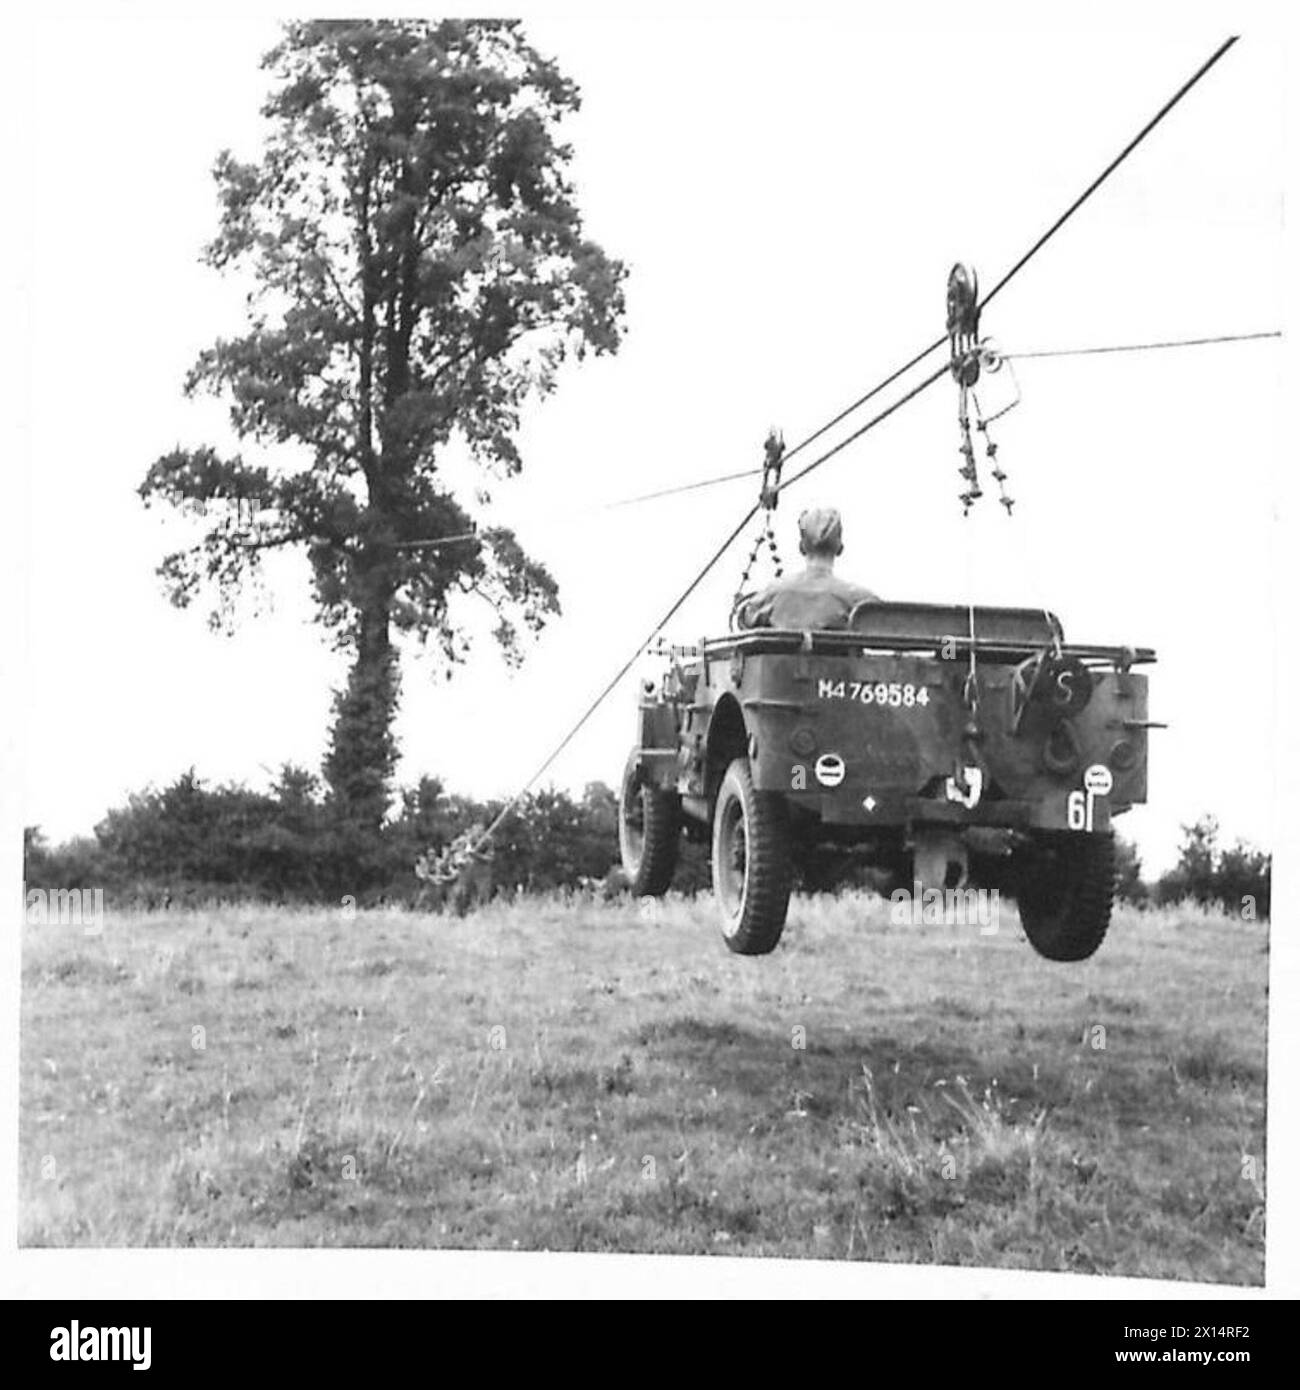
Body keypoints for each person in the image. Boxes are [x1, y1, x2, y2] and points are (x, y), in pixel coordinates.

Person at [735, 507, 879, 630]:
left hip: (783, 663)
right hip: (844, 663)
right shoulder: (862, 602)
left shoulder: (772, 593)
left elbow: (745, 620)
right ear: (840, 548)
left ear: (801, 547)